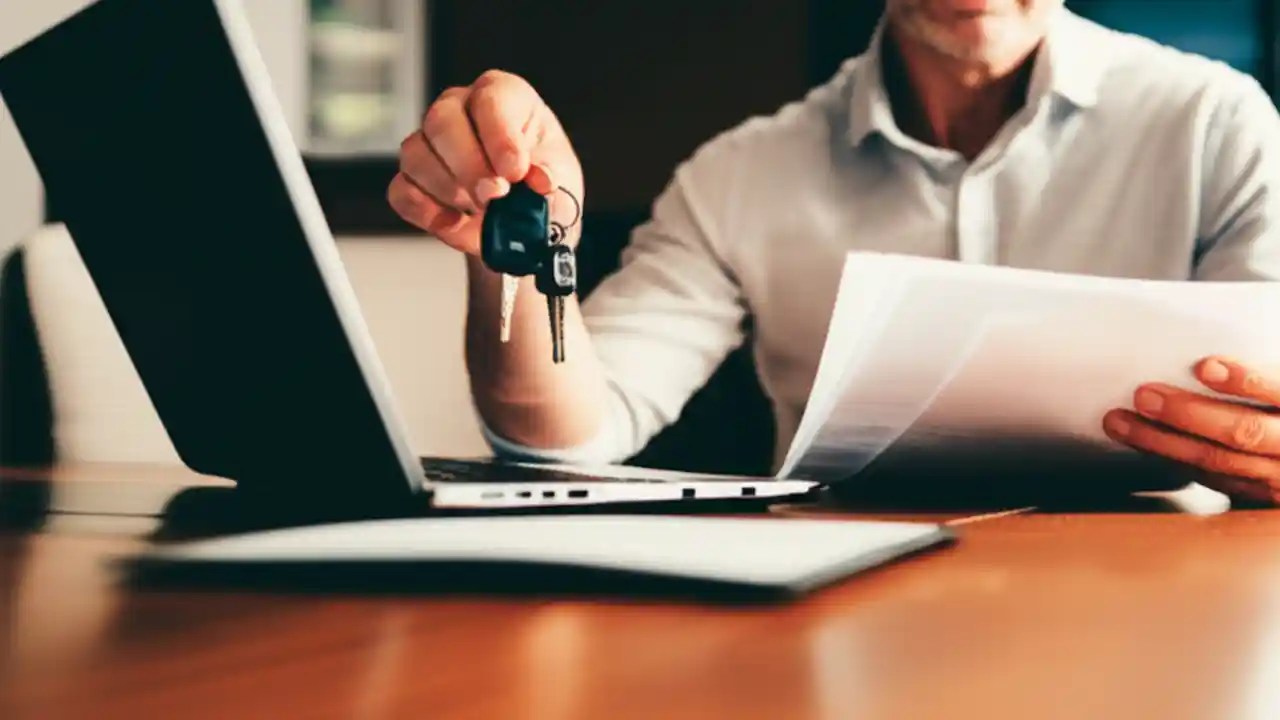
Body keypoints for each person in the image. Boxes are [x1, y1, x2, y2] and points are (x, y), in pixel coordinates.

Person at [388, 0, 1280, 506]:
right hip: (843, 618)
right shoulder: (740, 172)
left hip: (1165, 594)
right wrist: (514, 242)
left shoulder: (1216, 124)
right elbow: (569, 437)